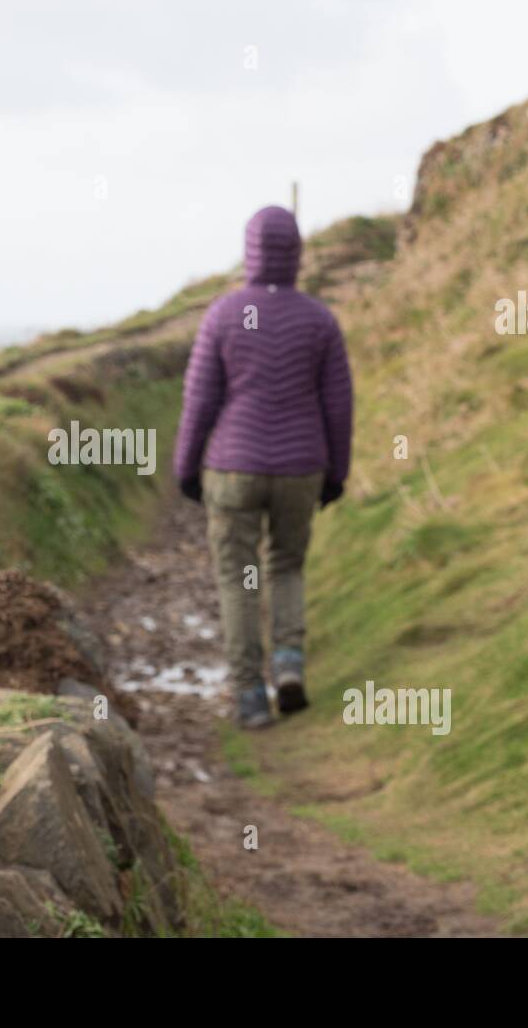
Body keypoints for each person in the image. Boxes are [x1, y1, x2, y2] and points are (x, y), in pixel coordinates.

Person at [173, 205, 353, 729]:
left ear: (250, 250)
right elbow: (338, 405)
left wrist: (186, 468)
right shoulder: (319, 319)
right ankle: (289, 665)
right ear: (296, 253)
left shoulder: (224, 315)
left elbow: (199, 401)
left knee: (238, 579)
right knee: (286, 566)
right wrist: (336, 472)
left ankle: (251, 695)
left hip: (232, 468)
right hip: (301, 468)